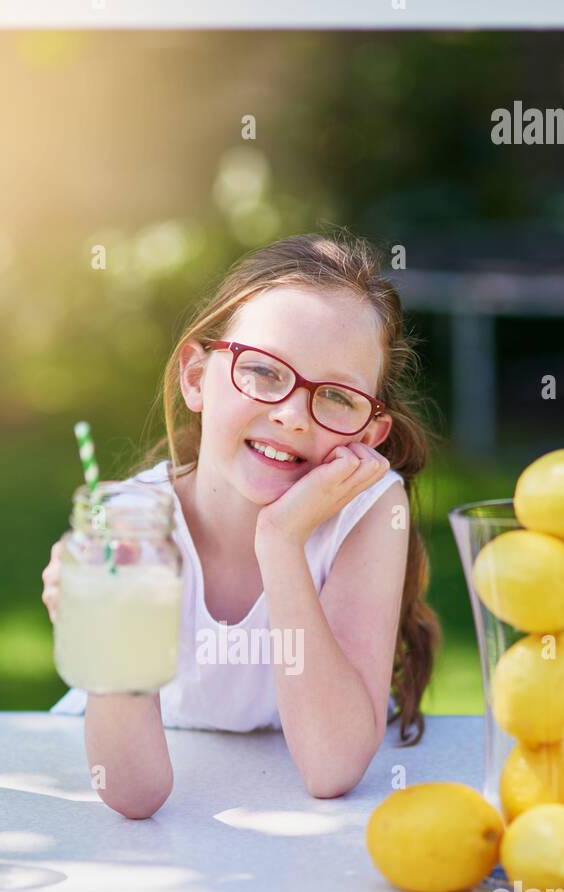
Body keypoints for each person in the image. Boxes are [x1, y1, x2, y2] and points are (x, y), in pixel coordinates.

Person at [42, 231, 440, 818]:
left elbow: (331, 766)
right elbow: (134, 796)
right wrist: (104, 640)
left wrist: (281, 541)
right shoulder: (130, 532)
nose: (293, 415)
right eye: (263, 371)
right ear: (197, 377)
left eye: (336, 397)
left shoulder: (370, 508)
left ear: (369, 432)